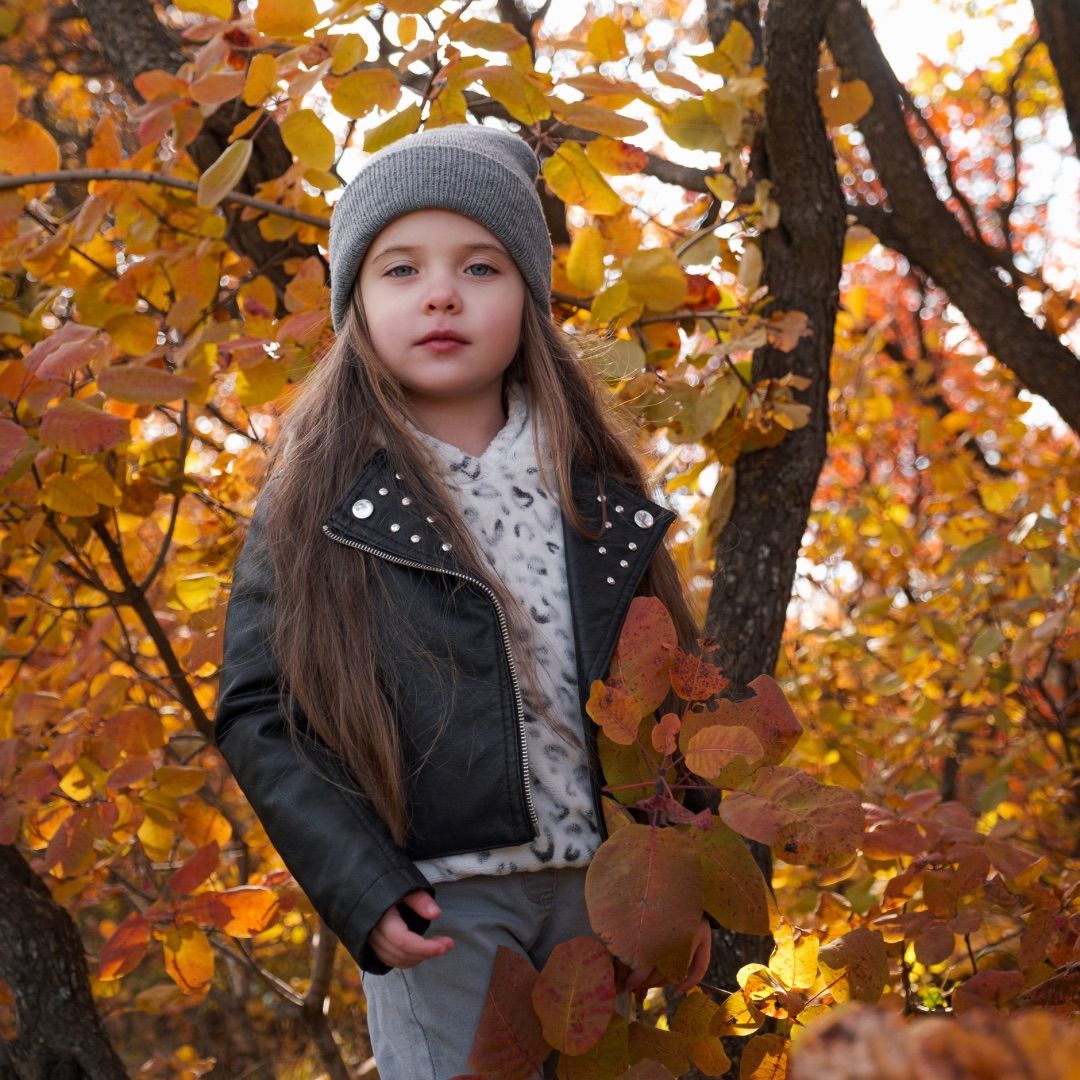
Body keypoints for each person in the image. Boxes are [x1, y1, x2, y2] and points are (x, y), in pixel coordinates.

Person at [213, 122, 711, 1080]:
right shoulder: (320, 499)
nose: (441, 293)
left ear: (529, 298)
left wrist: (680, 874)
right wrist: (362, 886)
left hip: (606, 891)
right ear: (356, 303)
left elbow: (671, 690)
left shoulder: (597, 490)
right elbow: (260, 710)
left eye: (481, 267)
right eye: (400, 269)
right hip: (439, 899)